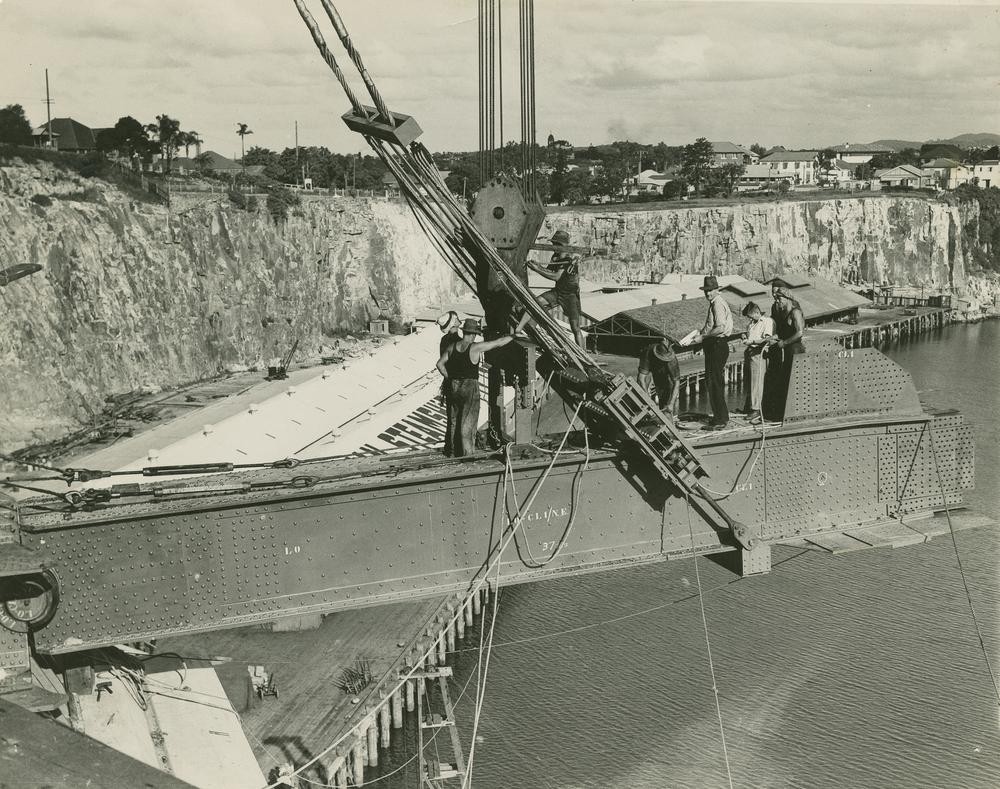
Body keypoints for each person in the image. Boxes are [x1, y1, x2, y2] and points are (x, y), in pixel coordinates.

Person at [436, 319, 514, 457]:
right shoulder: (475, 347)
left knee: (454, 421)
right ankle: (467, 455)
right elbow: (497, 343)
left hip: (454, 385)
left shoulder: (452, 346)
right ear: (473, 334)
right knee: (468, 424)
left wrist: (449, 377)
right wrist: (514, 335)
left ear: (464, 331)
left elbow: (440, 364)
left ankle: (452, 453)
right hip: (470, 386)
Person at [515, 229, 585, 347]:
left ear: (561, 245)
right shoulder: (555, 257)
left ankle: (584, 356)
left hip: (571, 295)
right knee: (535, 303)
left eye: (555, 244)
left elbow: (556, 276)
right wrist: (537, 265)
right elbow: (549, 270)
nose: (553, 246)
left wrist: (537, 269)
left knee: (575, 327)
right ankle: (518, 329)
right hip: (558, 292)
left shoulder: (569, 258)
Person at [691, 275, 734, 430]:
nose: (708, 294)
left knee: (714, 382)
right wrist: (700, 340)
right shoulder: (715, 303)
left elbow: (720, 328)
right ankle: (721, 416)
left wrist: (702, 337)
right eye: (706, 291)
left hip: (717, 345)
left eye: (710, 291)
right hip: (715, 345)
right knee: (714, 381)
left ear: (716, 290)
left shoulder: (717, 304)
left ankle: (720, 419)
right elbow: (710, 326)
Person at [763, 284, 806, 421]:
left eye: (779, 299)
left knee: (791, 380)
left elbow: (799, 332)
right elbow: (781, 332)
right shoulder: (783, 312)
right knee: (784, 380)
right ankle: (780, 413)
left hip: (795, 349)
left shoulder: (795, 312)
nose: (777, 302)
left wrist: (784, 342)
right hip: (787, 349)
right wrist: (773, 338)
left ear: (787, 298)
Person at [740, 301, 774, 424]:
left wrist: (752, 341)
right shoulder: (751, 324)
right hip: (750, 352)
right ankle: (749, 406)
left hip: (758, 353)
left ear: (756, 312)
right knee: (749, 382)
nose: (749, 318)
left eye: (750, 315)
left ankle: (756, 409)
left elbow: (767, 339)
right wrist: (745, 337)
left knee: (757, 382)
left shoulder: (766, 322)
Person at [435, 311, 463, 455]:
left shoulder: (444, 340)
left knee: (452, 417)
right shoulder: (457, 341)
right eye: (456, 319)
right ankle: (455, 449)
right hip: (456, 382)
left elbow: (442, 364)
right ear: (453, 324)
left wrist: (448, 378)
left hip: (449, 382)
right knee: (457, 417)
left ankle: (450, 447)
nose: (459, 320)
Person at [637, 338, 680, 422]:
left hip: (663, 374)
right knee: (641, 392)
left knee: (666, 399)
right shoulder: (648, 352)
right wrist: (647, 398)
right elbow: (641, 378)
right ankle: (644, 418)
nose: (664, 361)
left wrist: (671, 404)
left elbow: (676, 383)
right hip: (651, 367)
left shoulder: (672, 361)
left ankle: (668, 425)